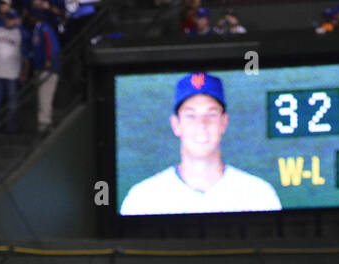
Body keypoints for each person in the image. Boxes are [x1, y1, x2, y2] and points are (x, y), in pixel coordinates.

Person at [120, 71, 281, 215]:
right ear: (176, 124)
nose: (201, 125)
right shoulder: (143, 198)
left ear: (223, 122)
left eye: (211, 115)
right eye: (190, 116)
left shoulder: (258, 194)